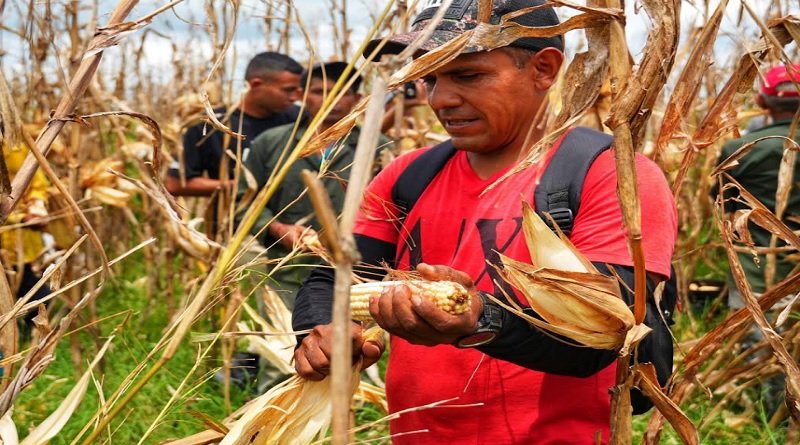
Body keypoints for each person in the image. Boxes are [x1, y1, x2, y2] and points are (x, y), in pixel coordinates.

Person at [291, 1, 677, 443]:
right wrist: (321, 330)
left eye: (467, 75)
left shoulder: (610, 175)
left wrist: (480, 320)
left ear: (543, 69)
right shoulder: (405, 176)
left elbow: (603, 334)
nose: (440, 99)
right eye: (430, 78)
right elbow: (334, 279)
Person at [232, 61, 389, 392]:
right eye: (320, 92)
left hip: (352, 276)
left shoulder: (379, 147)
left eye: (341, 93)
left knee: (345, 355)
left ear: (358, 97)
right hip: (284, 270)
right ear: (303, 95)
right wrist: (277, 229)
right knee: (284, 353)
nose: (331, 100)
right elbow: (242, 205)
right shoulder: (271, 143)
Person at [711, 63, 800, 412]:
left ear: (762, 101)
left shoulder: (741, 149)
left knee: (764, 346)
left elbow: (719, 200)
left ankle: (771, 415)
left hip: (759, 269)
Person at [166, 52, 303, 233]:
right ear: (256, 85)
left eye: (298, 90)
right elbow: (175, 184)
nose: (295, 97)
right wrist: (242, 188)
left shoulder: (299, 119)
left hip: (295, 229)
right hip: (231, 229)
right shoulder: (210, 126)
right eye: (287, 90)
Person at [1, 142, 52, 338]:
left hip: (19, 244)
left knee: (38, 297)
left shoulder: (15, 147)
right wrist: (19, 218)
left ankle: (31, 337)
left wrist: (36, 205)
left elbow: (37, 183)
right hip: (14, 230)